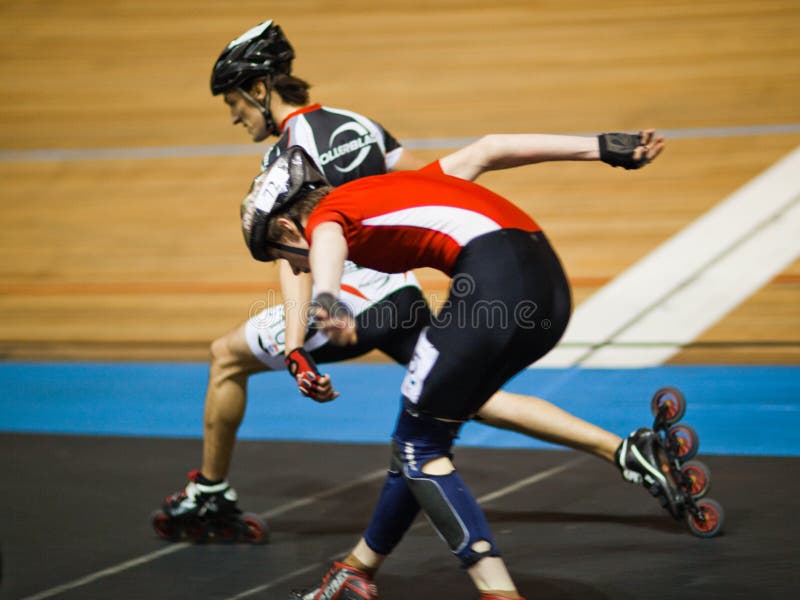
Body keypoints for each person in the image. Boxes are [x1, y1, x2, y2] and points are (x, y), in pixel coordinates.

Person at [155, 19, 668, 541]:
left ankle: (211, 495)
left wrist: (294, 345)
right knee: (468, 395)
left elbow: (294, 256)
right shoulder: (359, 123)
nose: (236, 117)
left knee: (225, 357)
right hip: (399, 292)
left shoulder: (283, 155)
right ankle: (623, 451)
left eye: (234, 103)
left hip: (347, 304)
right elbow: (420, 190)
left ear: (260, 89)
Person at [239, 139, 677, 599]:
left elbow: (325, 236)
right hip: (548, 291)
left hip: (498, 290)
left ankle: (498, 592)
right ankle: (357, 569)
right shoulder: (399, 187)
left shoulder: (331, 214)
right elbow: (488, 148)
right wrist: (602, 148)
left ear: (288, 226)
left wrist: (328, 300)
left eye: (281, 255)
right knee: (421, 434)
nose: (290, 265)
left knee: (417, 449)